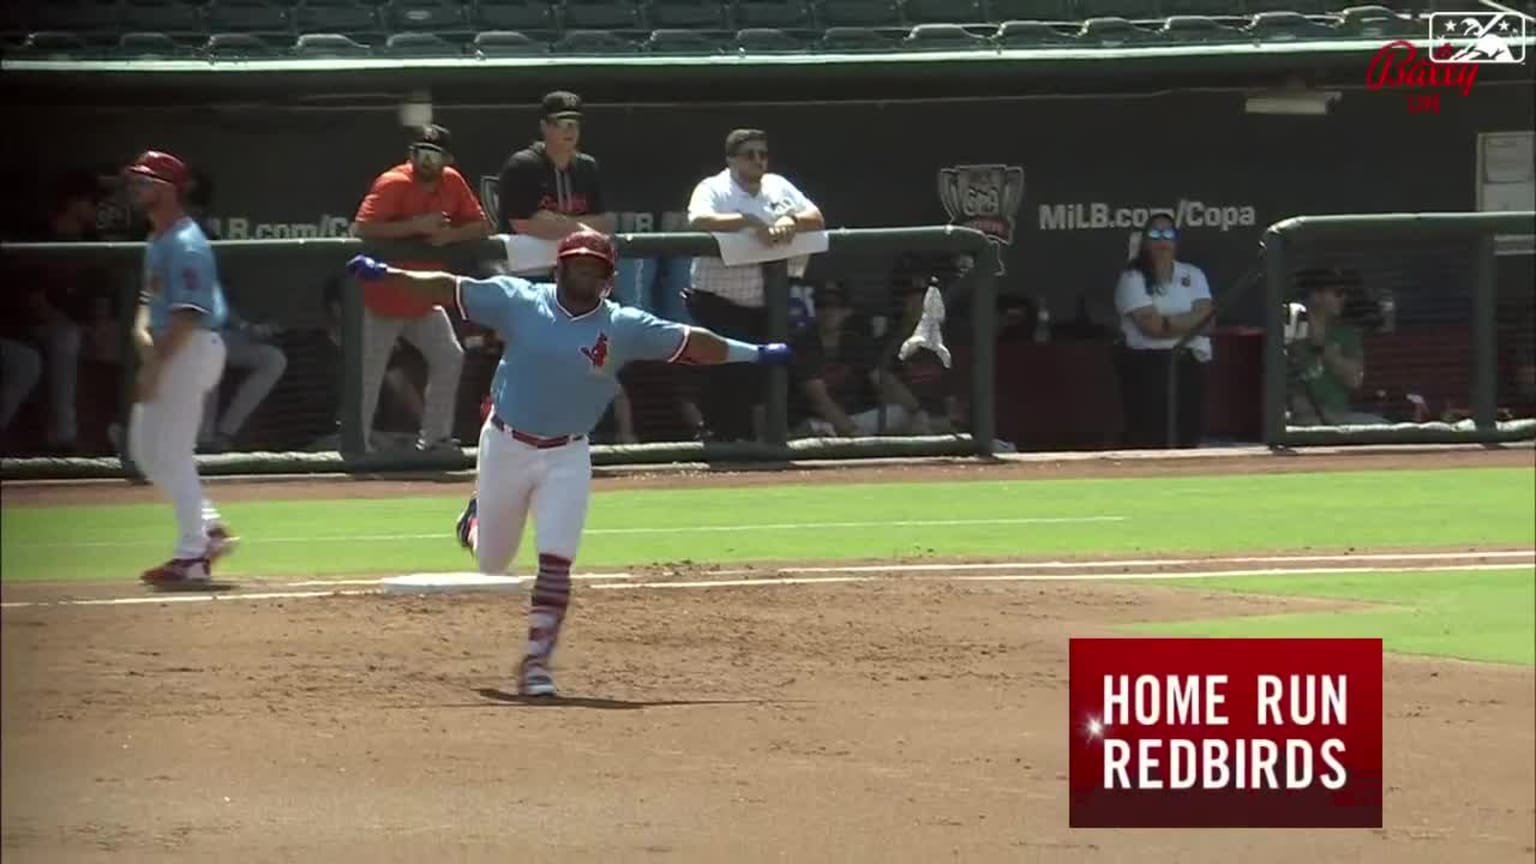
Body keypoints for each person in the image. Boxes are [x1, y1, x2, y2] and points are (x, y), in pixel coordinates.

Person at [344, 230, 791, 697]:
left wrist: (755, 353)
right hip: (506, 445)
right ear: (559, 267)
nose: (586, 271)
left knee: (557, 561)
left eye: (595, 266)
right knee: (492, 562)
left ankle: (536, 664)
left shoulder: (623, 325)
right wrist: (388, 276)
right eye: (578, 263)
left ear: (608, 277)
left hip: (568, 453)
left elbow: (691, 342)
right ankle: (475, 519)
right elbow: (446, 288)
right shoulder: (518, 300)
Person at [121, 150, 238, 586]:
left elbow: (189, 315)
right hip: (169, 349)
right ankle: (207, 528)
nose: (137, 188)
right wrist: (144, 342)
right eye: (136, 181)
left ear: (170, 189)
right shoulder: (157, 240)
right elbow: (149, 302)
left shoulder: (187, 243)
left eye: (146, 181)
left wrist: (155, 364)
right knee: (147, 453)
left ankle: (193, 555)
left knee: (168, 452)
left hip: (189, 348)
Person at [351, 123, 488, 452]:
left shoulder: (452, 182)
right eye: (421, 154)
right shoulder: (393, 182)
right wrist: (416, 226)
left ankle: (435, 438)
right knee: (369, 373)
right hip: (381, 298)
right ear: (411, 155)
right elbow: (362, 228)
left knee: (450, 356)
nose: (426, 161)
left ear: (447, 159)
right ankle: (357, 443)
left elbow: (482, 226)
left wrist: (450, 235)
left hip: (423, 298)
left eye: (434, 155)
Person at [685, 128, 824, 441]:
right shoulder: (715, 188)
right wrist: (748, 221)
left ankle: (761, 443)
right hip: (717, 300)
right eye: (750, 155)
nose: (759, 161)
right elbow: (698, 220)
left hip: (765, 302)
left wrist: (792, 221)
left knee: (766, 374)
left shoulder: (777, 185)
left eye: (763, 154)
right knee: (728, 375)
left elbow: (815, 216)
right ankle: (718, 443)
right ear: (732, 159)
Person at [1112, 213, 1214, 449]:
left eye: (1168, 234)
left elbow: (1208, 322)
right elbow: (1152, 328)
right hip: (1150, 368)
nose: (1162, 241)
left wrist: (1169, 322)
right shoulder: (1132, 277)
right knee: (1152, 437)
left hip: (1189, 365)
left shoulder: (1193, 274)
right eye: (1155, 234)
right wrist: (1190, 321)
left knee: (1188, 436)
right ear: (1145, 241)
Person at [791, 281, 931, 437]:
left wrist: (917, 410)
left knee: (903, 414)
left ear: (847, 311)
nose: (828, 311)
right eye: (821, 305)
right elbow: (819, 399)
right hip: (818, 423)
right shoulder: (804, 342)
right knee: (816, 429)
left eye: (836, 305)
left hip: (853, 420)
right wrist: (853, 432)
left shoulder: (853, 340)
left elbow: (883, 380)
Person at [496, 90, 614, 240]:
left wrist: (557, 222)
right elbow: (523, 224)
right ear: (544, 126)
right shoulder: (523, 165)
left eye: (574, 123)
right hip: (525, 259)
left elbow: (604, 223)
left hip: (575, 258)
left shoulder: (587, 166)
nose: (570, 130)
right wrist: (582, 227)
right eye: (562, 123)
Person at [1286, 268, 1388, 426]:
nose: (1344, 298)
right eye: (1338, 293)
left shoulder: (1346, 333)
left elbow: (1355, 380)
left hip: (1338, 419)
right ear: (1315, 296)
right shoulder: (1288, 333)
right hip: (1297, 421)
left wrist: (1328, 352)